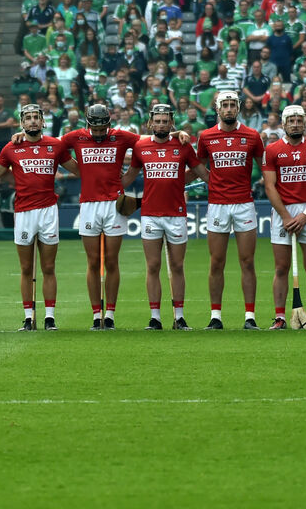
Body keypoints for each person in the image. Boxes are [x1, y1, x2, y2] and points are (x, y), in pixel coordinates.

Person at [0, 104, 77, 331]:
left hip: (48, 211)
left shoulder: (55, 146)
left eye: (36, 117)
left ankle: (49, 317)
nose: (33, 121)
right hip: (24, 212)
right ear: (22, 123)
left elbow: (79, 169)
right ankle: (28, 317)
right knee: (26, 268)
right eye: (28, 118)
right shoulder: (11, 148)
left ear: (43, 121)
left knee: (48, 266)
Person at [121, 103, 209, 330]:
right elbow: (131, 174)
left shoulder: (183, 145)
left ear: (171, 123)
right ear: (150, 123)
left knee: (177, 266)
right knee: (153, 266)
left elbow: (200, 171)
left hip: (176, 214)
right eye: (157, 121)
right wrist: (109, 191)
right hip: (150, 214)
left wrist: (221, 186)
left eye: (164, 121)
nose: (160, 124)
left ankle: (179, 317)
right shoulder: (141, 147)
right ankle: (155, 317)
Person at [57, 103, 142, 329]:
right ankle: (96, 314)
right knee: (93, 261)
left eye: (102, 129)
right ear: (87, 124)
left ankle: (111, 314)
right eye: (94, 129)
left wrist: (176, 133)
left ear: (109, 124)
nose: (98, 134)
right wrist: (77, 169)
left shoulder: (121, 137)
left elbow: (148, 143)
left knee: (112, 260)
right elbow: (53, 147)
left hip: (114, 204)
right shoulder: (76, 137)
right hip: (89, 204)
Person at [197, 91, 266, 329]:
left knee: (247, 262)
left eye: (232, 105)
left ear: (238, 108)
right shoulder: (206, 137)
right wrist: (211, 181)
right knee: (217, 262)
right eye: (224, 105)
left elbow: (265, 168)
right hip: (217, 205)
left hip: (244, 204)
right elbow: (199, 167)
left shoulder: (252, 135)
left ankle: (250, 317)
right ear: (217, 109)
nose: (228, 109)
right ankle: (215, 317)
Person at [262, 105, 306, 329]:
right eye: (290, 120)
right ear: (283, 124)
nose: (294, 123)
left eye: (298, 120)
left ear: (305, 123)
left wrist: (305, 215)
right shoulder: (272, 150)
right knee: (281, 268)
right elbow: (270, 186)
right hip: (282, 211)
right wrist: (284, 216)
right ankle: (280, 317)